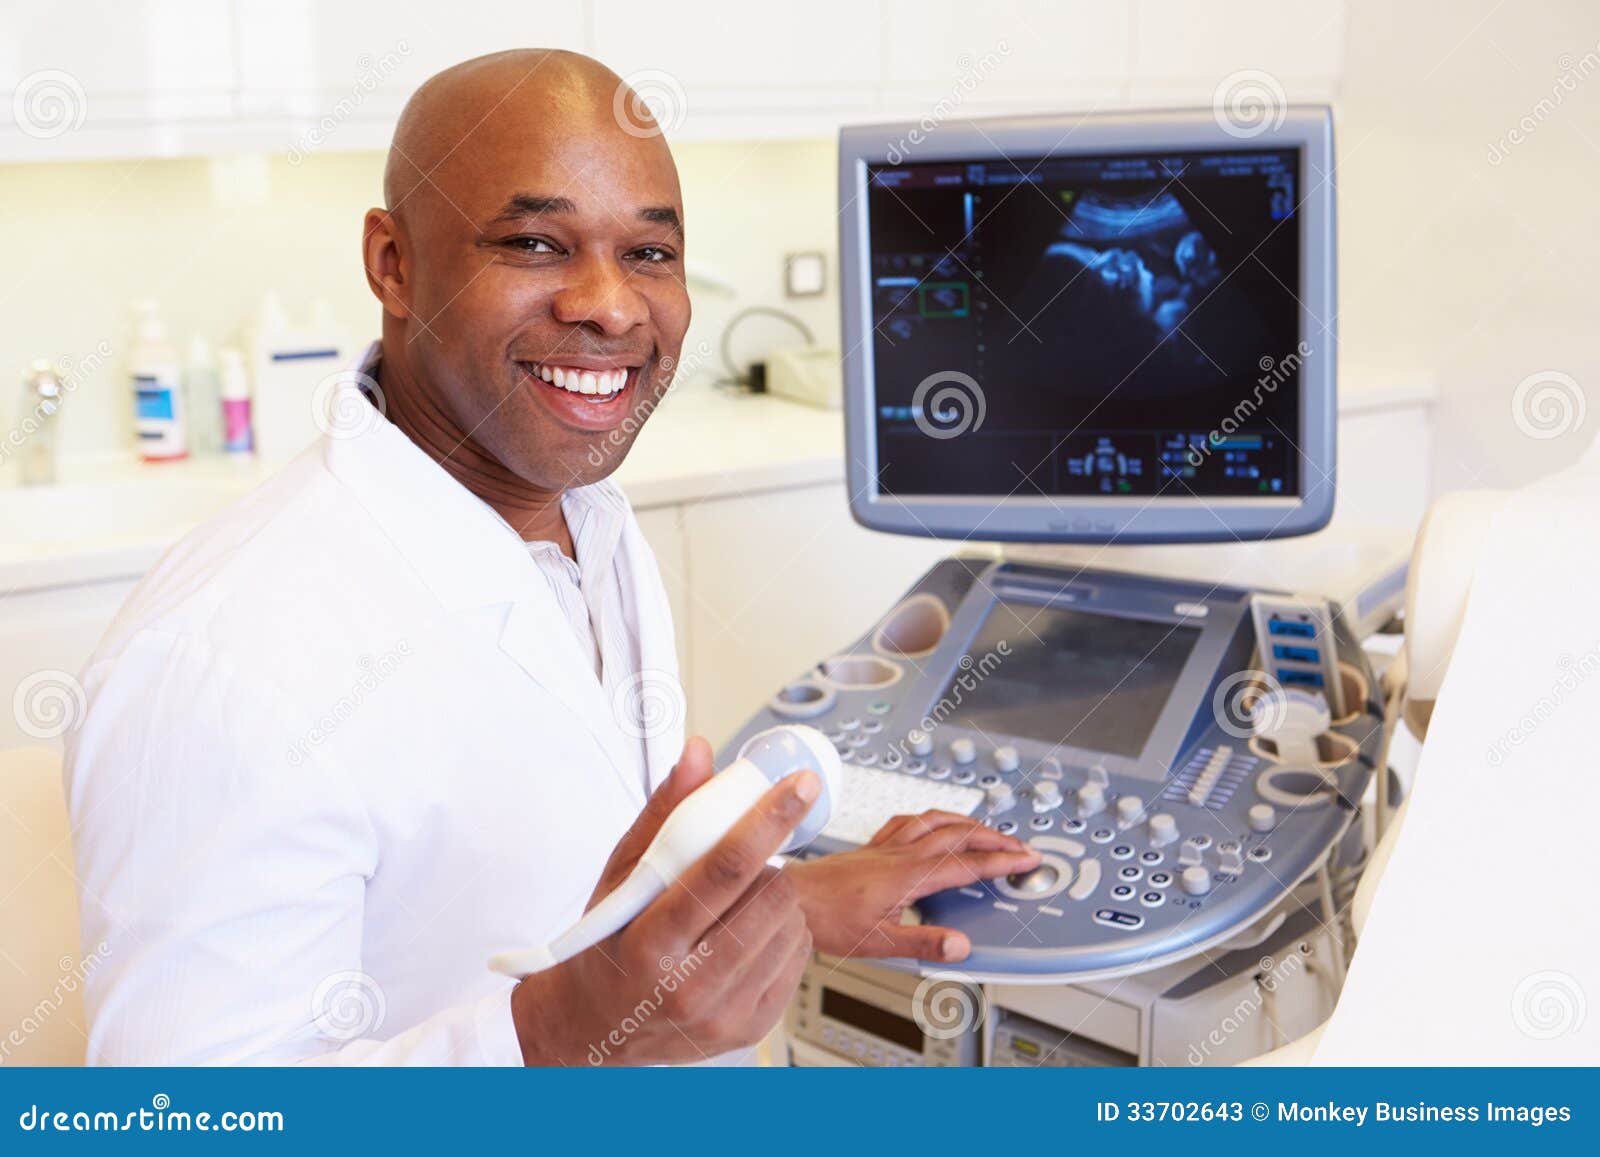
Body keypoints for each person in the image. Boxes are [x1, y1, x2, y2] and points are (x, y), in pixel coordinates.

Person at [64, 49, 1039, 1066]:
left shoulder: (585, 521)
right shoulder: (220, 662)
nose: (610, 306)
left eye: (650, 253)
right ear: (393, 263)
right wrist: (558, 1032)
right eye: (534, 243)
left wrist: (780, 901)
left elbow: (574, 883)